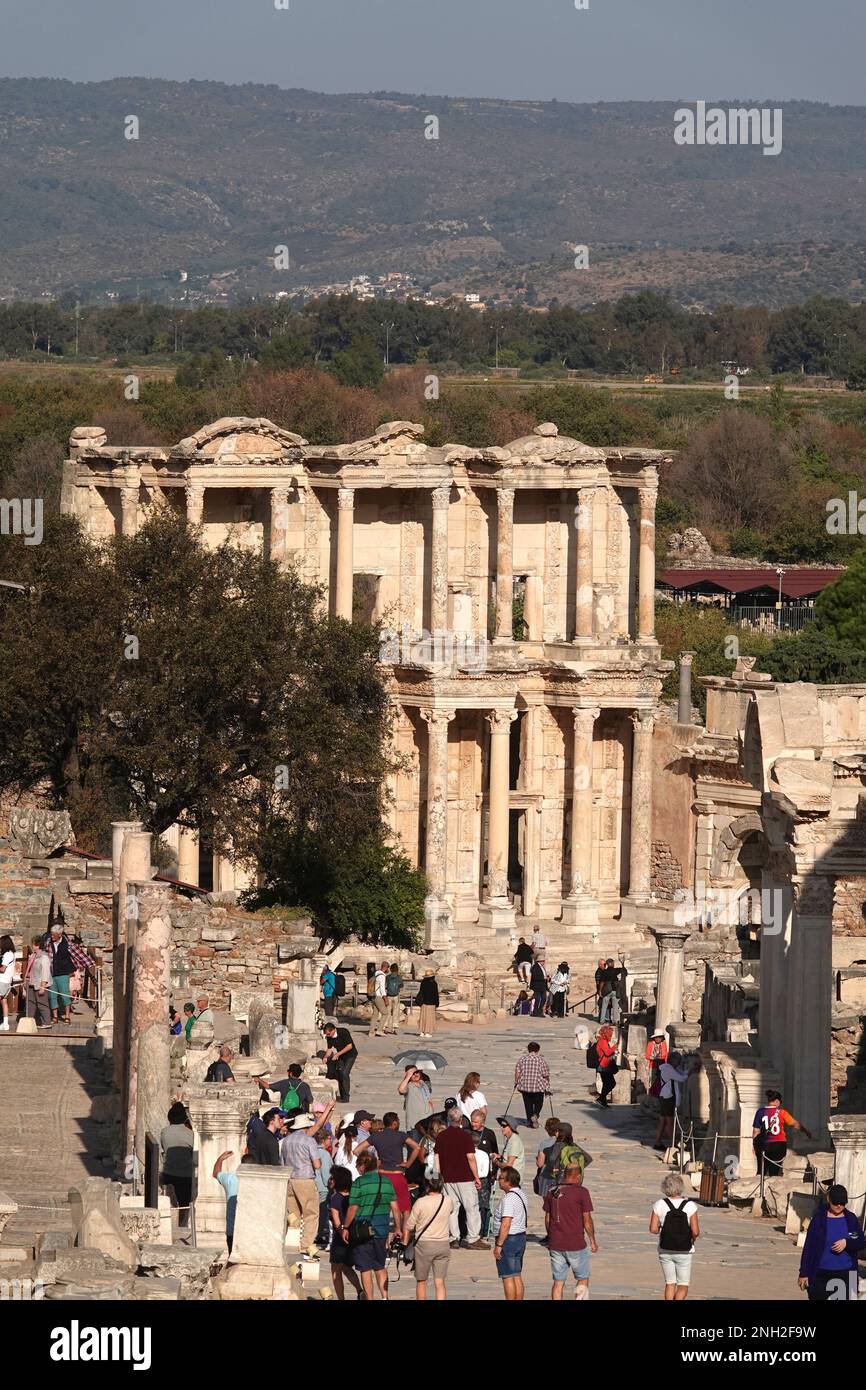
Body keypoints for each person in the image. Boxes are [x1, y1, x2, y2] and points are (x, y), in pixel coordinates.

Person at [342, 1151, 400, 1301]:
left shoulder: (358, 1183)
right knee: (380, 1266)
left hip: (362, 1232)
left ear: (363, 1166)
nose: (357, 1168)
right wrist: (398, 1228)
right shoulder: (386, 1182)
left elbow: (353, 1208)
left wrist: (345, 1227)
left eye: (357, 1165)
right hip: (381, 1231)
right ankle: (385, 1297)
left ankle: (369, 1298)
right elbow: (395, 1207)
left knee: (365, 1268)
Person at [798, 1183, 866, 1301]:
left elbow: (859, 1241)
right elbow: (809, 1247)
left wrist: (847, 1242)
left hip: (847, 1273)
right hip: (821, 1273)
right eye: (836, 1203)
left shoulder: (850, 1219)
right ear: (829, 1199)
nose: (839, 1206)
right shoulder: (818, 1220)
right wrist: (803, 1273)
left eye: (842, 1203)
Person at [434, 1106, 489, 1249]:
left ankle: (454, 1238)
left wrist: (436, 1175)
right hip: (464, 1177)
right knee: (472, 1208)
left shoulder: (441, 1136)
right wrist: (476, 1177)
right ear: (460, 1120)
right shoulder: (466, 1136)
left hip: (447, 1177)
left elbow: (437, 1157)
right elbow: (471, 1157)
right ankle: (473, 1238)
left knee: (452, 1209)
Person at [280, 1103, 335, 1241]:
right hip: (305, 1179)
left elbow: (282, 1162)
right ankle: (306, 1245)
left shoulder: (286, 1141)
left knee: (294, 1214)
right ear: (306, 1127)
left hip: (290, 1180)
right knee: (311, 1214)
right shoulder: (308, 1140)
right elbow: (317, 1164)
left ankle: (292, 1242)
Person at [544, 1163, 597, 1300]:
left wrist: (551, 1237)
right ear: (578, 1176)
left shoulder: (552, 1191)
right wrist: (592, 1241)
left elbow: (548, 1219)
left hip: (556, 1244)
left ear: (565, 1174)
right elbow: (587, 1221)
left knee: (558, 1282)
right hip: (576, 1244)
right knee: (582, 1279)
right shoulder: (582, 1192)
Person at [649, 1171, 700, 1301]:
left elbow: (653, 1229)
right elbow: (695, 1231)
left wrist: (663, 1230)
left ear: (665, 1188)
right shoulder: (690, 1206)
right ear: (681, 1187)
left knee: (670, 1283)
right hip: (684, 1250)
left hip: (665, 1249)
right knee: (683, 1285)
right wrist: (691, 1238)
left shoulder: (659, 1204)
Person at [368, 1112, 415, 1241]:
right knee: (405, 1209)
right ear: (394, 1123)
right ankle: (404, 1239)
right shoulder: (400, 1136)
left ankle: (385, 1242)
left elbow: (357, 1150)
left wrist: (374, 1163)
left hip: (383, 1175)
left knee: (382, 1208)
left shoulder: (376, 1136)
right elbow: (416, 1147)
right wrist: (408, 1163)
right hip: (397, 1175)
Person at [406, 1173, 453, 1301]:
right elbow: (451, 1211)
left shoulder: (420, 1202)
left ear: (427, 1186)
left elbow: (410, 1225)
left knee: (421, 1281)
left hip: (424, 1244)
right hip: (443, 1243)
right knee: (440, 1282)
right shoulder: (447, 1200)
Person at [752, 1089, 811, 1177]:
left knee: (761, 1171)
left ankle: (760, 1189)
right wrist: (806, 1131)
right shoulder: (782, 1113)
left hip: (764, 1144)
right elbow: (795, 1124)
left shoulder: (760, 1112)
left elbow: (756, 1131)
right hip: (779, 1144)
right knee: (775, 1172)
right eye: (780, 1101)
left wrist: (754, 1146)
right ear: (776, 1101)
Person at [328, 1165, 365, 1300]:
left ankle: (341, 1298)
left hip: (340, 1239)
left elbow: (337, 1222)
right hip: (355, 1237)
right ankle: (360, 1290)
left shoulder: (335, 1198)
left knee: (336, 1270)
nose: (330, 1180)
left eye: (332, 1178)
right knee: (347, 1267)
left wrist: (342, 1230)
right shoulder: (354, 1196)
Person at [492, 1166, 528, 1301]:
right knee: (516, 1274)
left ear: (508, 1181)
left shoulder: (508, 1199)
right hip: (520, 1238)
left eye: (501, 1178)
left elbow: (506, 1223)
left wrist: (499, 1245)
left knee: (507, 1276)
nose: (498, 1180)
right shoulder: (521, 1194)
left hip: (509, 1240)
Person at [159, 1101, 195, 1227]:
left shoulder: (164, 1132)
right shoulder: (190, 1134)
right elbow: (193, 1151)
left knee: (170, 1202)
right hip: (185, 1174)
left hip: (168, 1172)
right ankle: (182, 1224)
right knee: (184, 1203)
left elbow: (164, 1147)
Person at [212, 1150, 252, 1252]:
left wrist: (220, 1159)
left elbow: (215, 1173)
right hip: (250, 1230)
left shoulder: (230, 1178)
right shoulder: (257, 1181)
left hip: (232, 1230)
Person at [468, 1109, 499, 1237]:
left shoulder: (489, 1134)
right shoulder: (467, 1132)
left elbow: (495, 1152)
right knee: (471, 1204)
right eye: (472, 1121)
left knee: (484, 1204)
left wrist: (494, 1173)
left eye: (475, 1122)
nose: (473, 1124)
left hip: (485, 1175)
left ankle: (484, 1230)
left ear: (483, 1122)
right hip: (469, 1175)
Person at [654, 1050, 689, 1148]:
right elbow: (681, 1078)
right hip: (667, 1098)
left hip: (664, 1096)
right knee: (669, 1122)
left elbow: (681, 1073)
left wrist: (688, 1071)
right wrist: (689, 1072)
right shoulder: (668, 1068)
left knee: (663, 1121)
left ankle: (658, 1142)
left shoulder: (666, 1067)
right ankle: (674, 1144)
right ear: (673, 1060)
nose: (679, 1064)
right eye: (678, 1061)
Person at [43, 922, 74, 1025]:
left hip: (63, 973)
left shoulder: (67, 943)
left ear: (59, 934)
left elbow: (77, 954)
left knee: (65, 995)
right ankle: (55, 1017)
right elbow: (45, 954)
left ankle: (67, 1016)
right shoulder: (48, 943)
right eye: (51, 934)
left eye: (53, 934)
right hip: (52, 973)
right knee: (52, 996)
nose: (51, 936)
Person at [514, 1041, 551, 1127]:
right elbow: (545, 1074)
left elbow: (517, 1072)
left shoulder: (522, 1059)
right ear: (538, 1050)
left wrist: (516, 1082)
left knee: (528, 1104)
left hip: (525, 1086)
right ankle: (536, 1114)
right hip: (538, 1086)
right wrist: (547, 1084)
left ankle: (530, 1122)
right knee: (539, 1102)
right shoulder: (541, 1060)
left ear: (528, 1050)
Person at [322, 1021, 357, 1101]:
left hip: (350, 1055)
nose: (327, 1036)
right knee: (340, 1073)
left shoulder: (343, 1032)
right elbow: (329, 1049)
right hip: (341, 1056)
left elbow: (349, 1046)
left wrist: (337, 1054)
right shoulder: (329, 1038)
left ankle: (346, 1096)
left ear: (333, 1030)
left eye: (328, 1034)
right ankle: (342, 1095)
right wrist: (325, 1057)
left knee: (345, 1073)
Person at [23, 935, 52, 1029]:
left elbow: (46, 972)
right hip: (31, 983)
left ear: (37, 945)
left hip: (39, 984)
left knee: (42, 1004)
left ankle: (47, 1022)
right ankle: (29, 1021)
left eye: (33, 944)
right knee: (30, 1004)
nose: (32, 946)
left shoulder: (44, 957)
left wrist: (43, 986)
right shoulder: (33, 956)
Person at [314, 1126, 334, 1245]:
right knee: (321, 1213)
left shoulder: (312, 1151)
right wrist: (330, 1186)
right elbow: (325, 1172)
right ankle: (319, 1234)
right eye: (329, 1139)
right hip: (322, 1187)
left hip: (313, 1185)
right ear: (324, 1139)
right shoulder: (325, 1154)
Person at [398, 1065, 433, 1131]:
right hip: (415, 1125)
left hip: (427, 1124)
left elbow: (429, 1100)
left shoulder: (424, 1084)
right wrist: (408, 1076)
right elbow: (401, 1090)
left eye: (417, 1072)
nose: (415, 1074)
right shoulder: (409, 1086)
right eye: (412, 1073)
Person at [493, 1115, 525, 1182]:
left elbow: (509, 1165)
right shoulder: (510, 1139)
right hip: (509, 1178)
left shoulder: (514, 1141)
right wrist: (500, 1156)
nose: (502, 1128)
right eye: (501, 1125)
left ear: (511, 1127)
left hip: (513, 1180)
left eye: (504, 1126)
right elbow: (510, 1156)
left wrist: (497, 1163)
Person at [595, 1024, 617, 1108]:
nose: (611, 1036)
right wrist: (614, 1047)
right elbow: (607, 1052)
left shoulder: (603, 1041)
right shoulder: (602, 1041)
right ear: (605, 1033)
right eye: (610, 1034)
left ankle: (602, 1101)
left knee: (607, 1083)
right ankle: (601, 1099)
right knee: (611, 1083)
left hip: (605, 1065)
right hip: (604, 1066)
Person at [597, 958, 622, 1024]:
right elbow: (624, 970)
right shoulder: (616, 970)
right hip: (614, 991)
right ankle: (615, 1021)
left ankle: (602, 1020)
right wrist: (622, 962)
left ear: (607, 964)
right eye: (613, 963)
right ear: (611, 963)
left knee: (604, 1006)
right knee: (615, 1007)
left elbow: (602, 982)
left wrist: (600, 991)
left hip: (606, 991)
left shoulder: (604, 972)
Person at [0, 935, 17, 1031]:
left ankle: (5, 1023)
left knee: (2, 1001)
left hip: (3, 980)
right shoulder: (9, 954)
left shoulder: (8, 955)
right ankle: (5, 1023)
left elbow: (2, 969)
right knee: (4, 1001)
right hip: (5, 980)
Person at [416, 968, 439, 1037]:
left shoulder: (423, 982)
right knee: (429, 1018)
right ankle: (427, 1032)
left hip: (424, 1003)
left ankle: (422, 1031)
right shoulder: (434, 983)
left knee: (423, 1017)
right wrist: (437, 1003)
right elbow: (435, 994)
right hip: (431, 1003)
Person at [369, 960, 389, 1037]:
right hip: (378, 996)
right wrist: (385, 998)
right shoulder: (382, 976)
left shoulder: (376, 974)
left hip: (373, 996)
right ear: (386, 968)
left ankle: (371, 1032)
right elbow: (382, 989)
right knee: (385, 1013)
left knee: (375, 1014)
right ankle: (379, 1030)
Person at [645, 1029, 668, 1096]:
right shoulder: (650, 1044)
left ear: (662, 1038)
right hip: (653, 1066)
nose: (657, 1039)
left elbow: (664, 1055)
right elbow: (647, 1056)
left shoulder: (664, 1044)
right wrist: (656, 1058)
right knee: (652, 1082)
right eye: (656, 1037)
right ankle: (652, 1097)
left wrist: (656, 1058)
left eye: (659, 1037)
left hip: (662, 1067)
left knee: (661, 1082)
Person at [384, 962, 402, 1034]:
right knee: (395, 1012)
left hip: (389, 996)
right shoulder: (399, 977)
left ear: (391, 969)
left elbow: (385, 986)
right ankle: (394, 1028)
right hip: (396, 996)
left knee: (387, 1011)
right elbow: (401, 986)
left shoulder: (387, 977)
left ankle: (385, 1026)